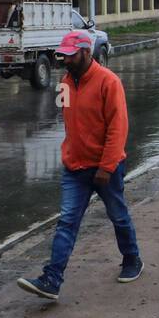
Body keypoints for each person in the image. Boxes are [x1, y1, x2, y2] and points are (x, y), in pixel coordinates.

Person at [18, 30, 141, 301]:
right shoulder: (65, 82)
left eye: (70, 55)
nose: (65, 59)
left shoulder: (109, 82)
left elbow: (118, 129)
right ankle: (51, 280)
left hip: (105, 168)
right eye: (63, 54)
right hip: (75, 168)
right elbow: (68, 121)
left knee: (118, 216)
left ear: (86, 52)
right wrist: (69, 154)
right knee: (67, 222)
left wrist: (106, 168)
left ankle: (132, 259)